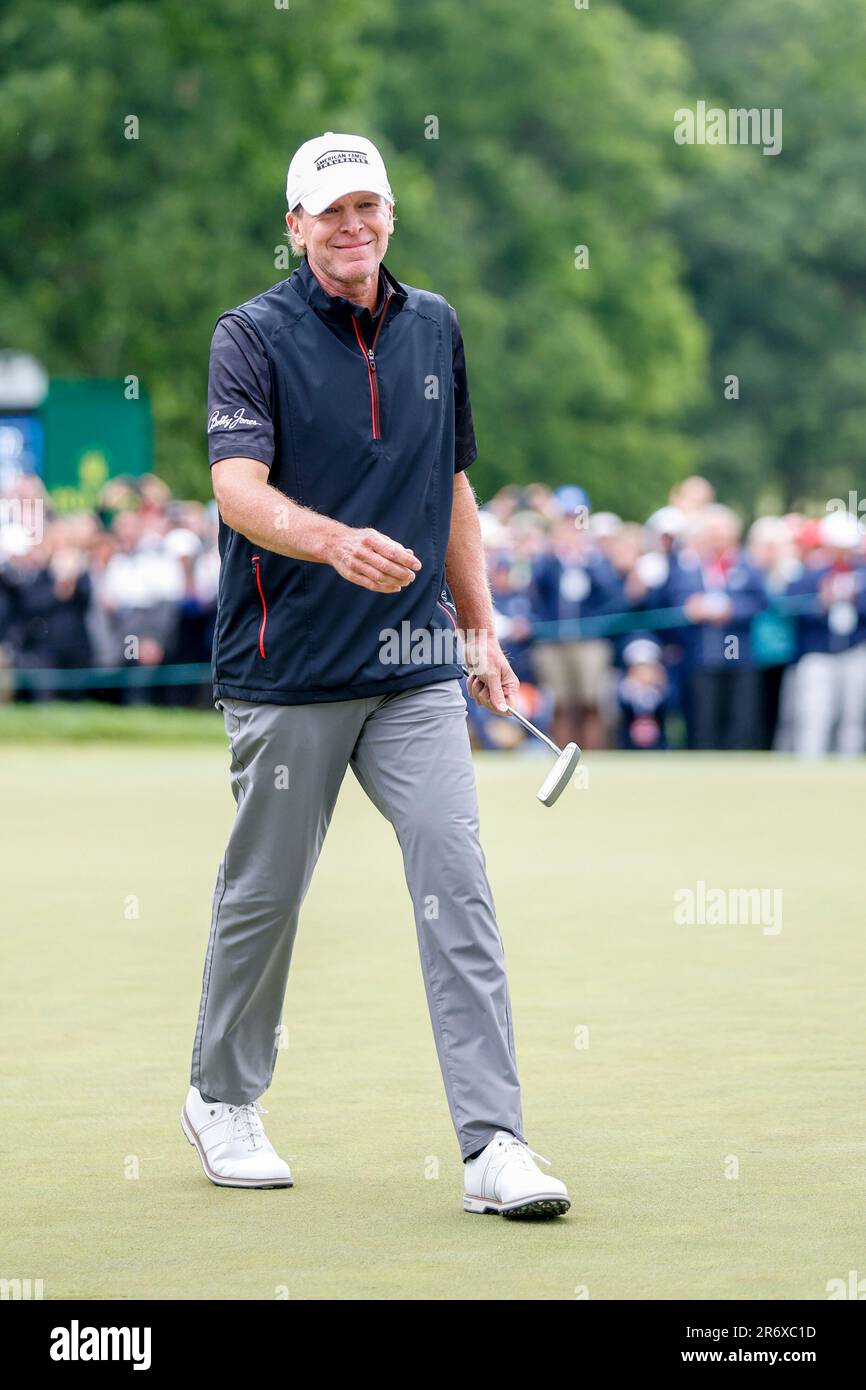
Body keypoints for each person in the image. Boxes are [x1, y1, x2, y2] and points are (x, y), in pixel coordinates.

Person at [182, 132, 569, 1218]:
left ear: (388, 216)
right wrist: (328, 540)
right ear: (296, 225)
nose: (352, 227)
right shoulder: (248, 337)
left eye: (369, 207)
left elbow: (449, 486)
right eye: (330, 212)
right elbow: (236, 490)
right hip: (284, 666)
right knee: (264, 896)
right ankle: (221, 1097)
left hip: (411, 667)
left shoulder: (435, 326)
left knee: (459, 885)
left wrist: (479, 627)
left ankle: (494, 1144)